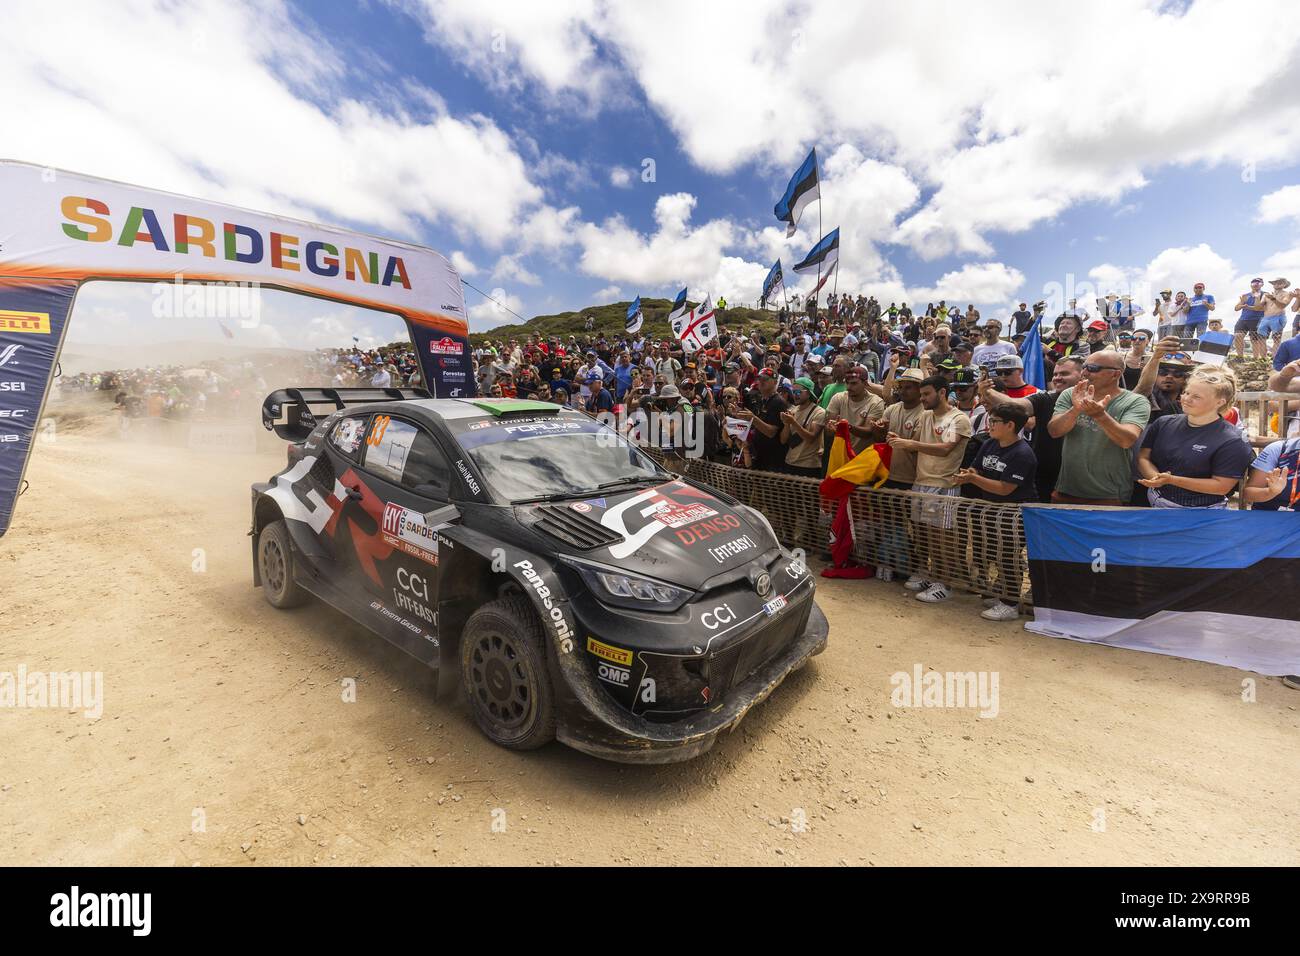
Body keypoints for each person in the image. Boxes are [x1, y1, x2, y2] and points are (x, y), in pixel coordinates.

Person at [887, 375, 973, 605]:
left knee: (942, 538)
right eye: (922, 394)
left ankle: (944, 583)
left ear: (942, 392)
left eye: (926, 394)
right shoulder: (925, 416)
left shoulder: (959, 419)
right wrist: (899, 440)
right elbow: (915, 443)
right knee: (923, 533)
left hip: (944, 485)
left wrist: (910, 444)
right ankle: (929, 574)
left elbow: (945, 449)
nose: (922, 398)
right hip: (921, 481)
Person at [953, 402, 1037, 621]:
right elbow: (976, 466)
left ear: (1010, 425)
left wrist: (973, 479)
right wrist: (969, 473)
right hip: (990, 509)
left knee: (1008, 556)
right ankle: (1003, 595)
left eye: (995, 421)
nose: (990, 425)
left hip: (1013, 513)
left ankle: (1010, 603)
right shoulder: (990, 443)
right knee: (994, 553)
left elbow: (1005, 488)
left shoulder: (1023, 453)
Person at [1137, 366, 1252, 508]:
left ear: (1220, 402)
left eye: (1196, 397)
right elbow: (1143, 457)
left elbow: (1221, 486)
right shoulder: (1163, 423)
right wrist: (1155, 478)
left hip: (1203, 510)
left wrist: (1171, 480)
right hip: (1155, 500)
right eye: (1186, 392)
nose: (1186, 399)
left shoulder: (1233, 440)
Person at [1047, 349, 1150, 505]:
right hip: (1066, 490)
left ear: (1116, 374)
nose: (1085, 372)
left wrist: (1100, 415)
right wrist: (1076, 409)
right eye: (1084, 367)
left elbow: (1127, 440)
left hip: (1109, 495)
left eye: (1093, 368)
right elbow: (1054, 431)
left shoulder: (1136, 402)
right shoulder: (1071, 394)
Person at [980, 355, 1084, 502]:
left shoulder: (1103, 401)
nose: (1057, 378)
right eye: (1055, 374)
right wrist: (988, 392)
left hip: (1084, 484)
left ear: (1083, 375)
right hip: (1045, 479)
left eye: (1064, 374)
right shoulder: (1046, 398)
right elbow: (1016, 407)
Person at [824, 366, 886, 454]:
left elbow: (868, 431)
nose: (848, 387)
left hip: (863, 456)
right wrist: (830, 429)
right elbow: (828, 428)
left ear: (865, 384)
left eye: (854, 383)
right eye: (847, 383)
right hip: (840, 454)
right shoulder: (838, 398)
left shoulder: (876, 402)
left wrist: (847, 426)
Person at [780, 377, 828, 478]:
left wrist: (793, 422)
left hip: (809, 466)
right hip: (789, 462)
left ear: (809, 393)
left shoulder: (819, 412)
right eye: (793, 392)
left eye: (798, 392)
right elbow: (783, 440)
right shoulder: (792, 410)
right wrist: (786, 424)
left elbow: (810, 438)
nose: (795, 395)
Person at [1233, 278, 1268, 359]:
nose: (1255, 284)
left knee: (1255, 341)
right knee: (1238, 336)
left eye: (1258, 283)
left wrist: (1256, 299)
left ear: (1262, 284)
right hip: (1243, 319)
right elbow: (1236, 308)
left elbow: (1259, 308)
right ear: (1251, 285)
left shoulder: (1265, 294)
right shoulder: (1246, 295)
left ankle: (1257, 359)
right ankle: (1240, 357)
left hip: (1258, 320)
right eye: (1253, 283)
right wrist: (1242, 304)